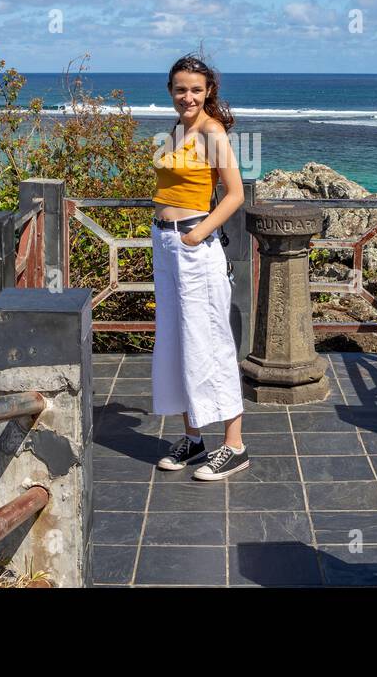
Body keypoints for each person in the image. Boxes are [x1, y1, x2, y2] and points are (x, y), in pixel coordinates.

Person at [150, 53, 248, 479]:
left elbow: (235, 194)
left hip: (193, 246)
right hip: (165, 244)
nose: (186, 96)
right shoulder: (176, 129)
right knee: (176, 339)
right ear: (170, 91)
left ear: (208, 91)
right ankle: (193, 437)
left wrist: (197, 233)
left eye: (195, 89)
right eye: (179, 89)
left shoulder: (212, 132)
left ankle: (235, 445)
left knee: (211, 340)